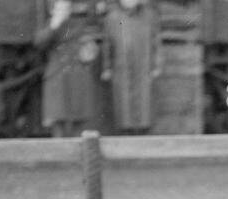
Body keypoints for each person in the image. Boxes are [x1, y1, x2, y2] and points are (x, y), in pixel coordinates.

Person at [34, 0, 105, 138]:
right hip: (57, 78)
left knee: (78, 124)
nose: (63, 10)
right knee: (58, 124)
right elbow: (39, 43)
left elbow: (92, 45)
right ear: (53, 9)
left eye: (65, 8)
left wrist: (90, 50)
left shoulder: (80, 24)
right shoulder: (50, 25)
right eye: (59, 8)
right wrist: (54, 25)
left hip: (77, 77)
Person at [102, 0, 162, 134]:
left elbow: (156, 42)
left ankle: (142, 133)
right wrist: (106, 67)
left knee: (144, 103)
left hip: (143, 65)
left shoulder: (149, 16)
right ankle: (125, 133)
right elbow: (107, 45)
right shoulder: (112, 18)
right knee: (123, 104)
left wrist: (157, 65)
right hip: (121, 67)